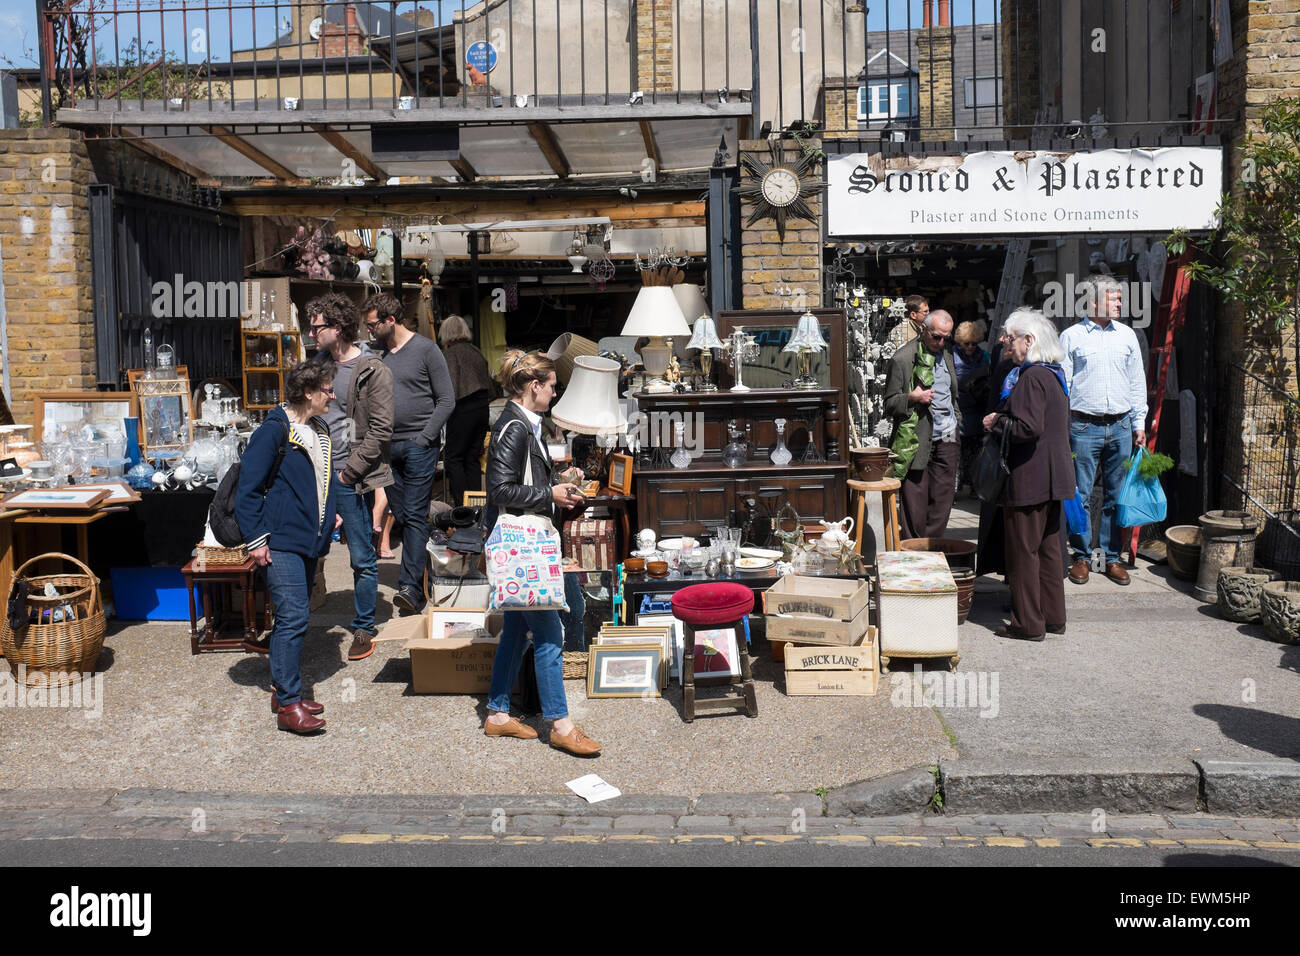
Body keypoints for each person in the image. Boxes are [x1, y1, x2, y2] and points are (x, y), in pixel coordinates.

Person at [481, 350, 602, 757]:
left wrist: (560, 482)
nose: (554, 392)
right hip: (524, 549)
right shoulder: (515, 427)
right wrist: (548, 492)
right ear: (534, 386)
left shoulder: (524, 423)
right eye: (551, 385)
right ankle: (560, 724)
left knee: (517, 630)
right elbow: (499, 490)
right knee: (551, 632)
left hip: (524, 548)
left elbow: (521, 480)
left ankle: (498, 714)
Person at [236, 360, 340, 734]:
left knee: (292, 617)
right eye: (327, 390)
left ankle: (285, 692)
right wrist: (257, 541)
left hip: (307, 540)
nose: (332, 395)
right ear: (309, 393)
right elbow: (247, 491)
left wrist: (331, 516)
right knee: (295, 616)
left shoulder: (319, 429)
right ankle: (289, 705)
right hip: (279, 541)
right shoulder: (273, 431)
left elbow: (321, 481)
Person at [306, 293, 394, 662]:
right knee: (306, 550)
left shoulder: (373, 369)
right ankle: (291, 624)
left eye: (317, 327)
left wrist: (349, 472)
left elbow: (381, 427)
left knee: (361, 555)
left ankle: (363, 627)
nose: (311, 333)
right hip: (315, 473)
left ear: (337, 329)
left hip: (349, 477)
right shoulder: (316, 366)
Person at [982, 309, 1073, 641]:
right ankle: (1052, 618)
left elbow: (1028, 427)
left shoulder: (1032, 376)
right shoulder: (1053, 373)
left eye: (1011, 337)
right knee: (1049, 551)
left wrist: (996, 422)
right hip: (1052, 477)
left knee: (1023, 553)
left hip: (1030, 478)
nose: (1007, 343)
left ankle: (1028, 624)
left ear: (1029, 340)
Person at [364, 293, 456, 614]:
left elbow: (446, 399)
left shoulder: (427, 350)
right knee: (405, 516)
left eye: (373, 325)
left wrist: (425, 438)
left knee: (413, 516)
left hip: (419, 446)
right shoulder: (377, 356)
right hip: (388, 450)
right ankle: (432, 556)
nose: (369, 331)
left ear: (391, 320)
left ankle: (409, 588)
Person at [1059, 275, 1148, 586]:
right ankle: (1082, 556)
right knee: (1079, 494)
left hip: (1121, 426)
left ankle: (1111, 558)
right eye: (1115, 299)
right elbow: (1063, 386)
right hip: (1083, 426)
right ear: (1094, 302)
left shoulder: (1127, 336)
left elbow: (1137, 382)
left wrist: (1139, 423)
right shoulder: (1071, 336)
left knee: (1115, 496)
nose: (1121, 303)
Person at [883, 308, 961, 539]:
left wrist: (957, 421)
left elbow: (952, 393)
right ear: (923, 329)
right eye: (936, 336)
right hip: (916, 436)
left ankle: (932, 546)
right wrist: (912, 398)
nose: (941, 342)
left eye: (946, 337)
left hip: (947, 434)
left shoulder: (946, 354)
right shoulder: (903, 358)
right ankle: (913, 547)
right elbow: (889, 403)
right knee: (915, 497)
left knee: (943, 497)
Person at [438, 314, 495, 506]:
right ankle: (476, 508)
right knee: (472, 458)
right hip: (482, 408)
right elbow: (490, 384)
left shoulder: (450, 354)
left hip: (463, 409)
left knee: (453, 458)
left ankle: (462, 509)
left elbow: (449, 390)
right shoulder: (475, 351)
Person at [953, 319, 991, 494]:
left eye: (974, 343)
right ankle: (954, 489)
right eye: (966, 343)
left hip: (977, 411)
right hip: (959, 411)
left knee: (975, 453)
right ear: (960, 342)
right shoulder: (952, 356)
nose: (970, 347)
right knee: (957, 455)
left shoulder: (983, 357)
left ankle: (975, 486)